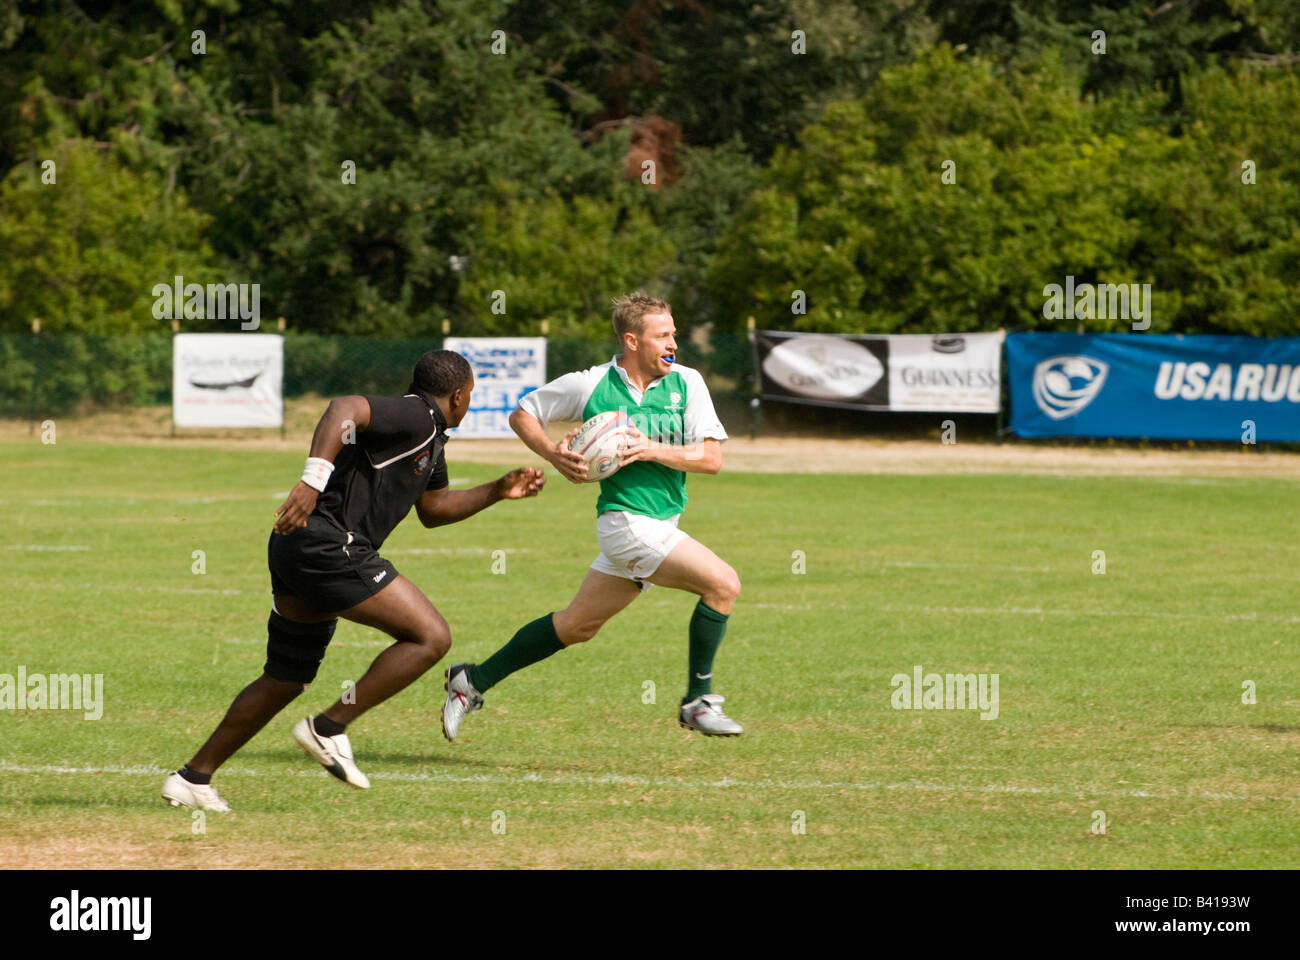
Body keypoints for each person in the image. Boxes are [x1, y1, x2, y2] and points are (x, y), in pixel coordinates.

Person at [161, 350, 545, 811]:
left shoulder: (432, 439)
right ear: (459, 395)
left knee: (285, 678)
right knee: (430, 637)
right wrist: (312, 479)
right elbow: (345, 406)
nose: (469, 402)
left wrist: (497, 491)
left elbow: (435, 510)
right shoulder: (416, 415)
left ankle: (192, 778)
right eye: (472, 395)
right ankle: (329, 727)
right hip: (329, 546)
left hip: (298, 547)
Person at [440, 292, 743, 740]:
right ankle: (698, 702)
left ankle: (471, 681)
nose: (673, 342)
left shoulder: (688, 383)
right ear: (632, 340)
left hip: (663, 523)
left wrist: (651, 448)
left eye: (674, 333)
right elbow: (524, 413)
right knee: (723, 585)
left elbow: (712, 459)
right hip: (626, 524)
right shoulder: (592, 384)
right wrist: (553, 453)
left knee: (577, 626)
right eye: (663, 335)